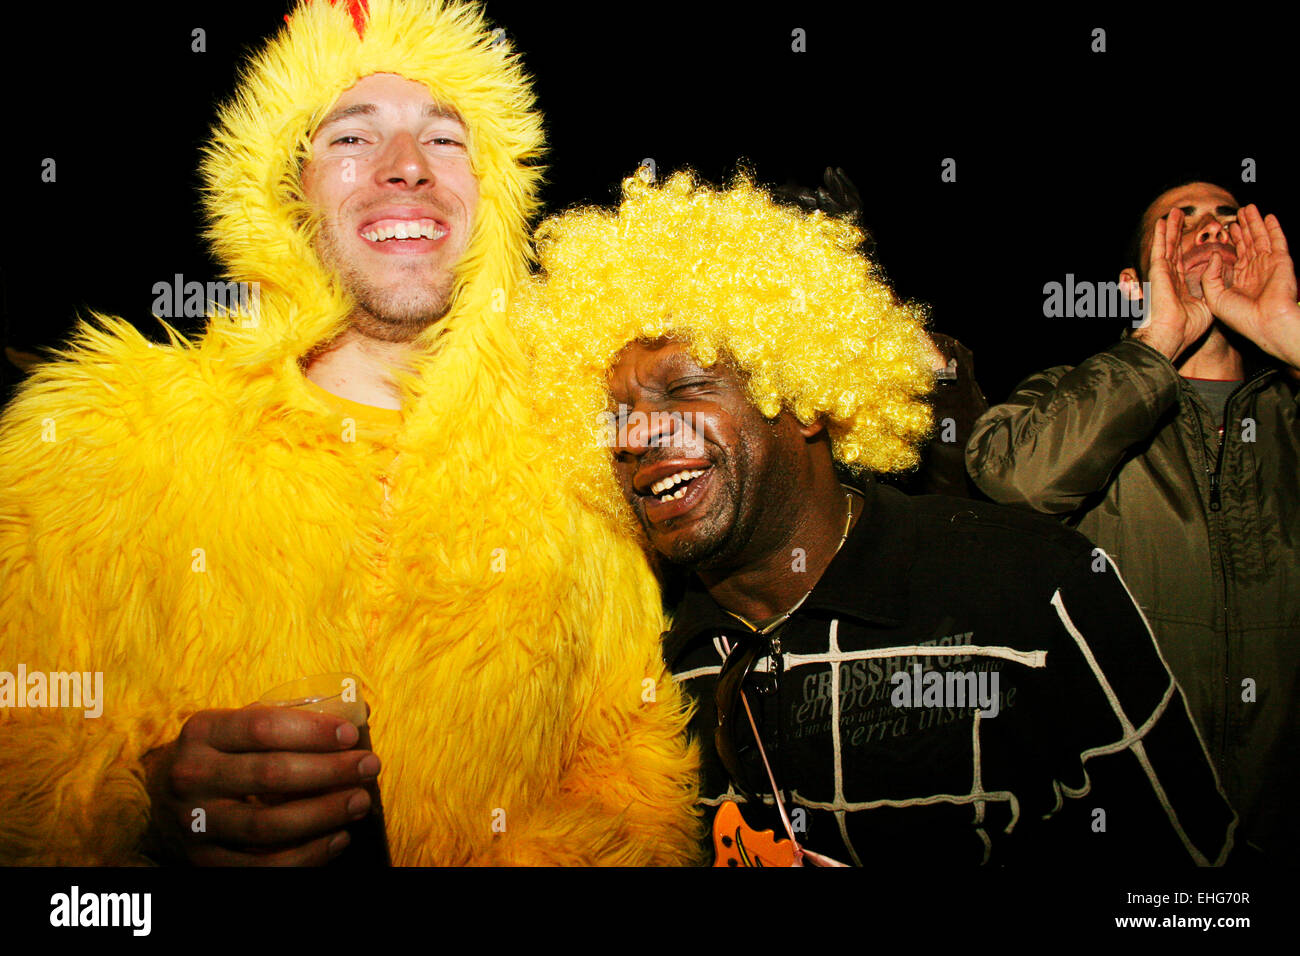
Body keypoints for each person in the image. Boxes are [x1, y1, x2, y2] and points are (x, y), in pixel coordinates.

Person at [0, 0, 700, 866]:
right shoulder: (97, 444)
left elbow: (635, 773)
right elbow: (19, 773)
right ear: (284, 193)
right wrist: (143, 815)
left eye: (446, 139)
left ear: (495, 192)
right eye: (350, 138)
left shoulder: (582, 459)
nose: (406, 167)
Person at [516, 170, 1237, 866]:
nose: (636, 436)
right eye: (616, 414)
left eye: (687, 387)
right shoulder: (644, 665)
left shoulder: (1031, 592)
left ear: (804, 392)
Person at [965, 180, 1299, 858]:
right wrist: (1159, 341)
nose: (1211, 227)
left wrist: (1293, 339)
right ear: (1131, 282)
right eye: (1183, 221)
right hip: (1125, 829)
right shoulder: (1069, 394)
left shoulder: (1291, 413)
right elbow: (1016, 482)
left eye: (1229, 218)